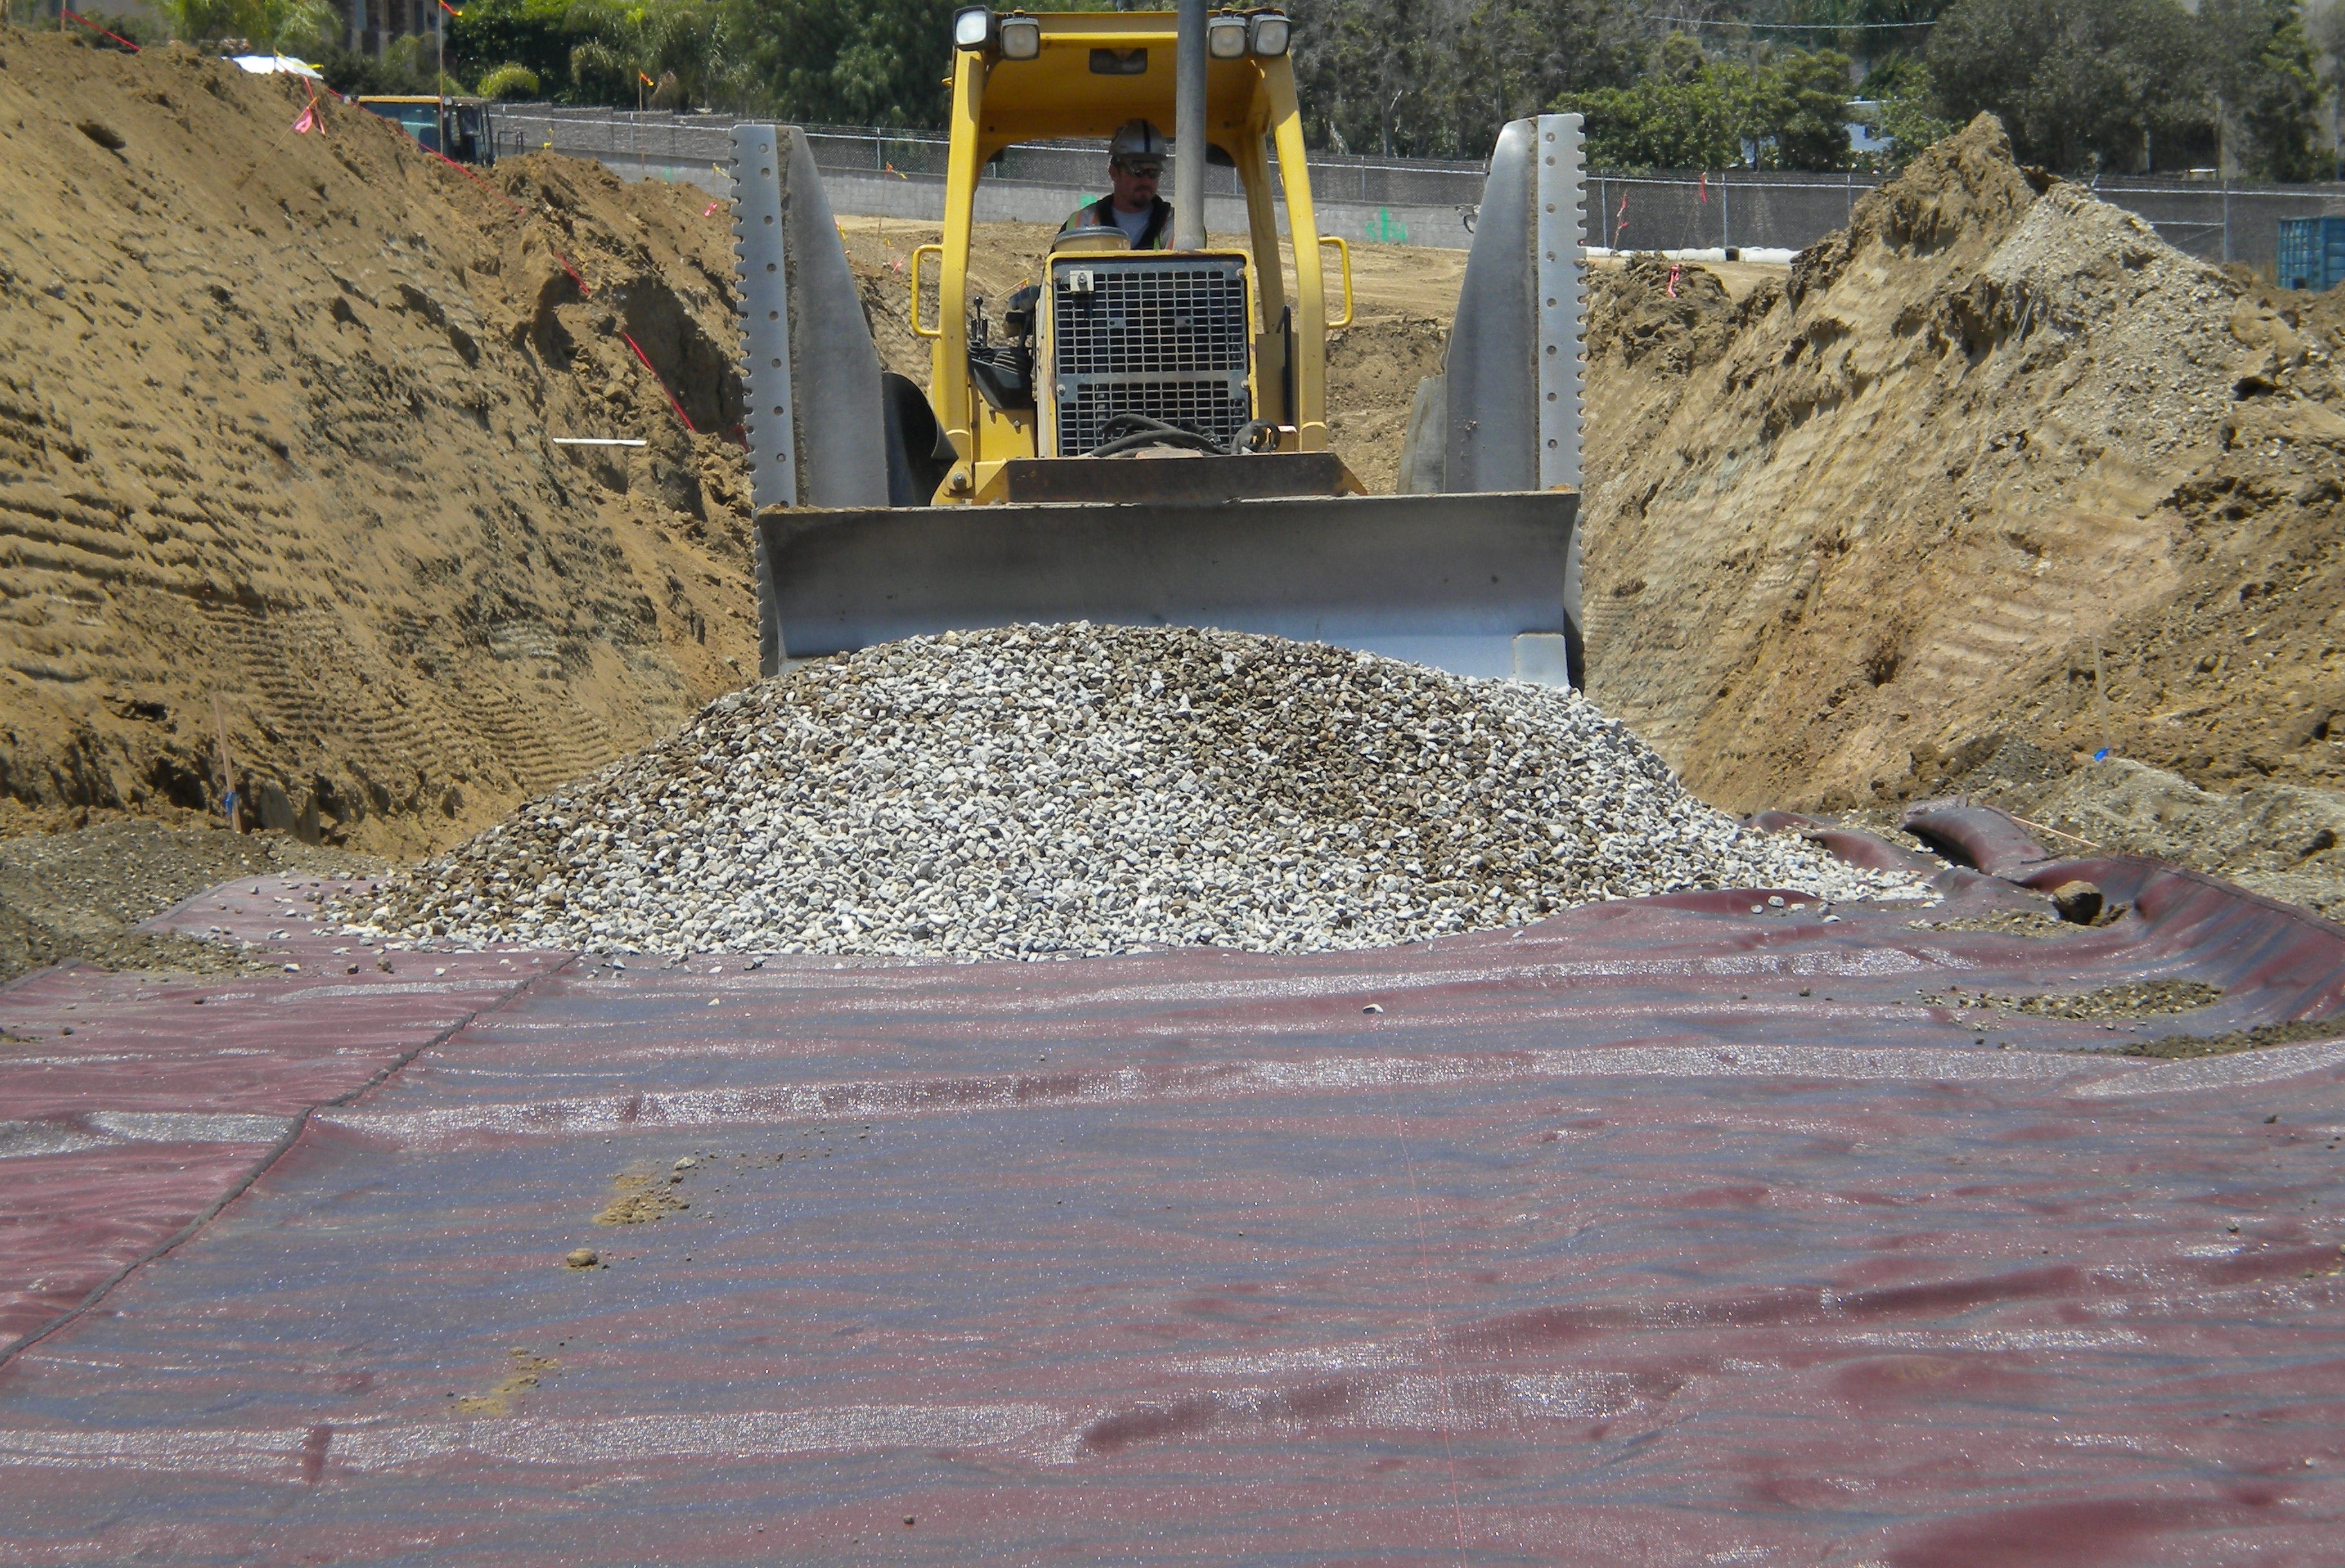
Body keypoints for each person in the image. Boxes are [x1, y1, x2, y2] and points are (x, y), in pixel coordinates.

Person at [1061, 118, 1174, 249]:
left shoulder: (1176, 226)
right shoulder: (1082, 224)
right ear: (1114, 172)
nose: (1146, 180)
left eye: (1154, 172)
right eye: (1137, 171)